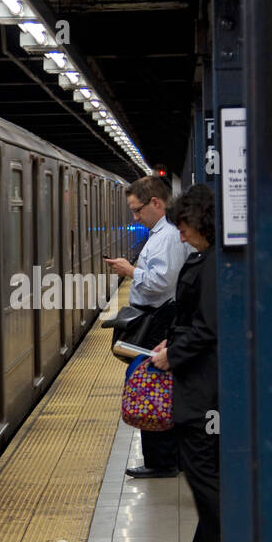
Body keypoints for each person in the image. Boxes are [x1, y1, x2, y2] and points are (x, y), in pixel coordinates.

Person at [150, 184, 222, 542]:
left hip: (204, 390)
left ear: (201, 222)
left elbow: (209, 328)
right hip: (200, 384)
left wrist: (172, 355)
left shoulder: (213, 265)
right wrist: (170, 345)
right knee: (202, 476)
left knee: (205, 477)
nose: (180, 235)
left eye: (184, 226)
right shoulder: (210, 259)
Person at [105, 175, 192, 477]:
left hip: (159, 321)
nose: (135, 216)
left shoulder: (167, 236)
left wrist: (130, 271)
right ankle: (160, 456)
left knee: (153, 387)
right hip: (155, 318)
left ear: (155, 202)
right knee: (152, 385)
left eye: (138, 209)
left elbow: (161, 283)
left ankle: (162, 460)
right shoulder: (161, 233)